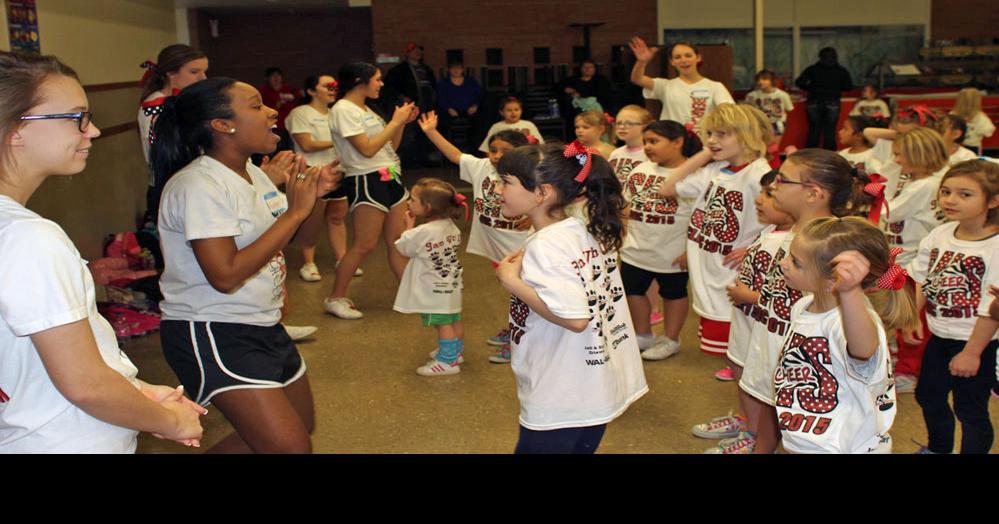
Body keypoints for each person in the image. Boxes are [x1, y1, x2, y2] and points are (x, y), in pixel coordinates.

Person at [0, 50, 205, 453]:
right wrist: (170, 420)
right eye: (77, 118)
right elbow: (85, 384)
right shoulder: (29, 238)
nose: (92, 131)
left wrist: (136, 393)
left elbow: (40, 361)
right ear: (15, 129)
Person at [151, 76, 340, 453]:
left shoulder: (253, 173)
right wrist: (295, 211)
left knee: (300, 428)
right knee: (289, 447)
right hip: (212, 328)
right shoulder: (198, 186)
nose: (272, 112)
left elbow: (301, 240)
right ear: (222, 125)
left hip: (260, 323)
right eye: (256, 106)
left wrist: (313, 199)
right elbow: (225, 275)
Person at [494, 141, 648, 454]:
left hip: (561, 394)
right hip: (589, 387)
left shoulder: (547, 245)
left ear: (542, 193)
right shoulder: (580, 227)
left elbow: (575, 318)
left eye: (506, 182)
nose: (498, 190)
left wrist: (510, 281)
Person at [776, 217, 917, 453]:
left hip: (846, 445)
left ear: (833, 280)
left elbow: (862, 350)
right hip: (810, 434)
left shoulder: (851, 321)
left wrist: (849, 292)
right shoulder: (803, 305)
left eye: (796, 262)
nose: (783, 263)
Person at [655, 103, 773, 379]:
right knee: (727, 340)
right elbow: (666, 188)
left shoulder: (758, 173)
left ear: (745, 136)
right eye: (710, 134)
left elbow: (784, 217)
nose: (712, 140)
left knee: (745, 337)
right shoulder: (715, 170)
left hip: (735, 270)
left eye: (721, 134)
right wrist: (704, 155)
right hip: (711, 266)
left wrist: (753, 247)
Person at [418, 111, 532, 364]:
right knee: (516, 296)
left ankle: (521, 343)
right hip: (498, 251)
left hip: (523, 251)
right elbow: (455, 154)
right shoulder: (482, 168)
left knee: (525, 296)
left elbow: (553, 198)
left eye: (505, 150)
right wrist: (431, 132)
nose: (497, 155)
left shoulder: (530, 174)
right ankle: (517, 330)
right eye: (493, 149)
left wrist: (534, 215)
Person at [690, 170, 792, 449]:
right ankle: (748, 421)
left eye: (770, 194)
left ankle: (756, 436)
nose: (759, 200)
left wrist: (750, 296)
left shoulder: (797, 242)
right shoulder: (770, 231)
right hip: (748, 321)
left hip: (765, 324)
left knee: (759, 383)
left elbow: (797, 299)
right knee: (741, 370)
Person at [906, 160, 999, 453]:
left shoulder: (994, 246)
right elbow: (922, 277)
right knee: (928, 395)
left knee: (970, 410)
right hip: (940, 336)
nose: (950, 199)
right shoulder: (939, 235)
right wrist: (913, 318)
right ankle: (939, 448)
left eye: (964, 194)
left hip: (978, 342)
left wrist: (972, 353)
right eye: (946, 191)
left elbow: (992, 306)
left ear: (993, 200)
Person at [322, 62, 419, 320]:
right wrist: (394, 121)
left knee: (397, 241)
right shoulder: (343, 109)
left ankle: (409, 294)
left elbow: (389, 147)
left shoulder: (368, 110)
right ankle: (335, 298)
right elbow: (366, 149)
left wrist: (400, 124)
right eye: (377, 79)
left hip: (391, 176)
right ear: (359, 81)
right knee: (364, 244)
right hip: (366, 179)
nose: (381, 83)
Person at [619, 121, 700, 361]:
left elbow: (700, 217)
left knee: (673, 294)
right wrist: (623, 234)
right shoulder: (640, 169)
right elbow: (626, 204)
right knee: (633, 290)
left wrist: (689, 251)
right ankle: (642, 333)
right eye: (646, 142)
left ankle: (671, 339)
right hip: (636, 249)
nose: (648, 147)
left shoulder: (693, 175)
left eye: (654, 141)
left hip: (672, 252)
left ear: (677, 142)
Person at [286, 74, 356, 282]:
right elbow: (306, 144)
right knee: (311, 219)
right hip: (312, 171)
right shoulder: (300, 113)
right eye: (327, 86)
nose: (333, 89)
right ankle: (309, 263)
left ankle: (342, 260)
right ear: (311, 91)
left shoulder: (337, 113)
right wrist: (340, 142)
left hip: (337, 171)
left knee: (337, 217)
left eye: (335, 86)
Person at [393, 178, 466, 376]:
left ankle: (447, 362)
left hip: (433, 288)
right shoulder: (451, 226)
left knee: (442, 323)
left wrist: (408, 226)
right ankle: (455, 351)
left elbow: (403, 247)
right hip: (451, 284)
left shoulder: (422, 232)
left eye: (413, 200)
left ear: (428, 206)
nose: (409, 202)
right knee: (453, 318)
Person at [137, 44, 208, 224]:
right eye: (194, 72)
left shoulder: (182, 101)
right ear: (171, 73)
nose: (203, 78)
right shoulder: (155, 105)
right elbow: (169, 152)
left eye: (204, 71)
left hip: (188, 183)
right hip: (169, 186)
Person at [628, 36, 734, 129]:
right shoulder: (666, 86)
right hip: (671, 142)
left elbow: (727, 112)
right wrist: (642, 62)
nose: (683, 60)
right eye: (677, 57)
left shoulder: (715, 87)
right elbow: (637, 79)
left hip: (704, 143)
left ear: (698, 58)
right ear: (672, 62)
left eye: (688, 56)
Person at [384, 43, 437, 168]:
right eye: (414, 51)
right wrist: (402, 98)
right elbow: (390, 88)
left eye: (419, 51)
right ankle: (409, 160)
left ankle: (424, 158)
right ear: (407, 53)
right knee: (408, 133)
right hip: (409, 107)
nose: (417, 53)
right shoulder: (399, 70)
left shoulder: (426, 69)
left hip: (426, 106)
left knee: (424, 132)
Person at [795, 47, 854, 150]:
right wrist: (836, 89)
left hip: (814, 100)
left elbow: (799, 82)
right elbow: (849, 87)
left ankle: (811, 155)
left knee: (814, 129)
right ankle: (829, 155)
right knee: (830, 130)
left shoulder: (812, 69)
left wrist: (810, 88)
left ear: (820, 57)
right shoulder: (841, 71)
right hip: (833, 101)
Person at [435, 61, 481, 151]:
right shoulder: (443, 83)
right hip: (450, 111)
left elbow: (479, 95)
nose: (456, 70)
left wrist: (475, 106)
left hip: (470, 110)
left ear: (462, 69)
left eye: (458, 68)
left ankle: (475, 149)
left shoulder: (471, 82)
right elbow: (440, 99)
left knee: (479, 122)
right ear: (449, 70)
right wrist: (448, 108)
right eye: (453, 68)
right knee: (442, 122)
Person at [479, 96, 544, 153]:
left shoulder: (529, 125)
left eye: (516, 110)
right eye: (509, 110)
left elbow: (540, 144)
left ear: (521, 110)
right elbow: (487, 149)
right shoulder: (497, 127)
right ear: (501, 112)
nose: (513, 113)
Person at [608, 104, 654, 183]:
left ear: (645, 126)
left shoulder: (651, 153)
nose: (622, 127)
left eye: (629, 123)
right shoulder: (615, 153)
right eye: (619, 123)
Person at [259, 67, 300, 153]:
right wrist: (276, 106)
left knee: (290, 150)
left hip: (290, 126)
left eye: (278, 75)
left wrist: (292, 97)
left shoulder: (289, 89)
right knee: (273, 150)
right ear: (267, 78)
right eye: (273, 76)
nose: (276, 78)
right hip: (273, 126)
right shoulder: (263, 91)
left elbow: (300, 97)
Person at [745, 70, 795, 137]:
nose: (760, 82)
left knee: (774, 146)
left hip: (777, 123)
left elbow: (789, 109)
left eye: (764, 79)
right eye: (758, 80)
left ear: (772, 80)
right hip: (759, 124)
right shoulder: (752, 96)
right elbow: (747, 110)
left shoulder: (783, 95)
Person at [951, 88, 996, 155]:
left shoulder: (952, 115)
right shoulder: (981, 117)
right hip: (973, 147)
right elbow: (988, 132)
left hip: (954, 147)